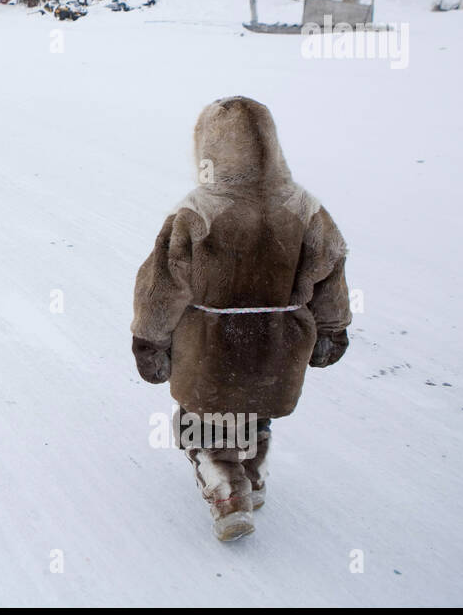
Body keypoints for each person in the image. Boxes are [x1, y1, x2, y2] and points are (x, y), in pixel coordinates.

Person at [131, 97, 351, 542]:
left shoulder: (197, 212)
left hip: (209, 347)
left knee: (207, 418)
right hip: (279, 347)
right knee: (255, 410)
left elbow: (162, 284)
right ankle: (251, 470)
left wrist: (149, 340)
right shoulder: (305, 208)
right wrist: (332, 327)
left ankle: (226, 486)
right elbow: (332, 270)